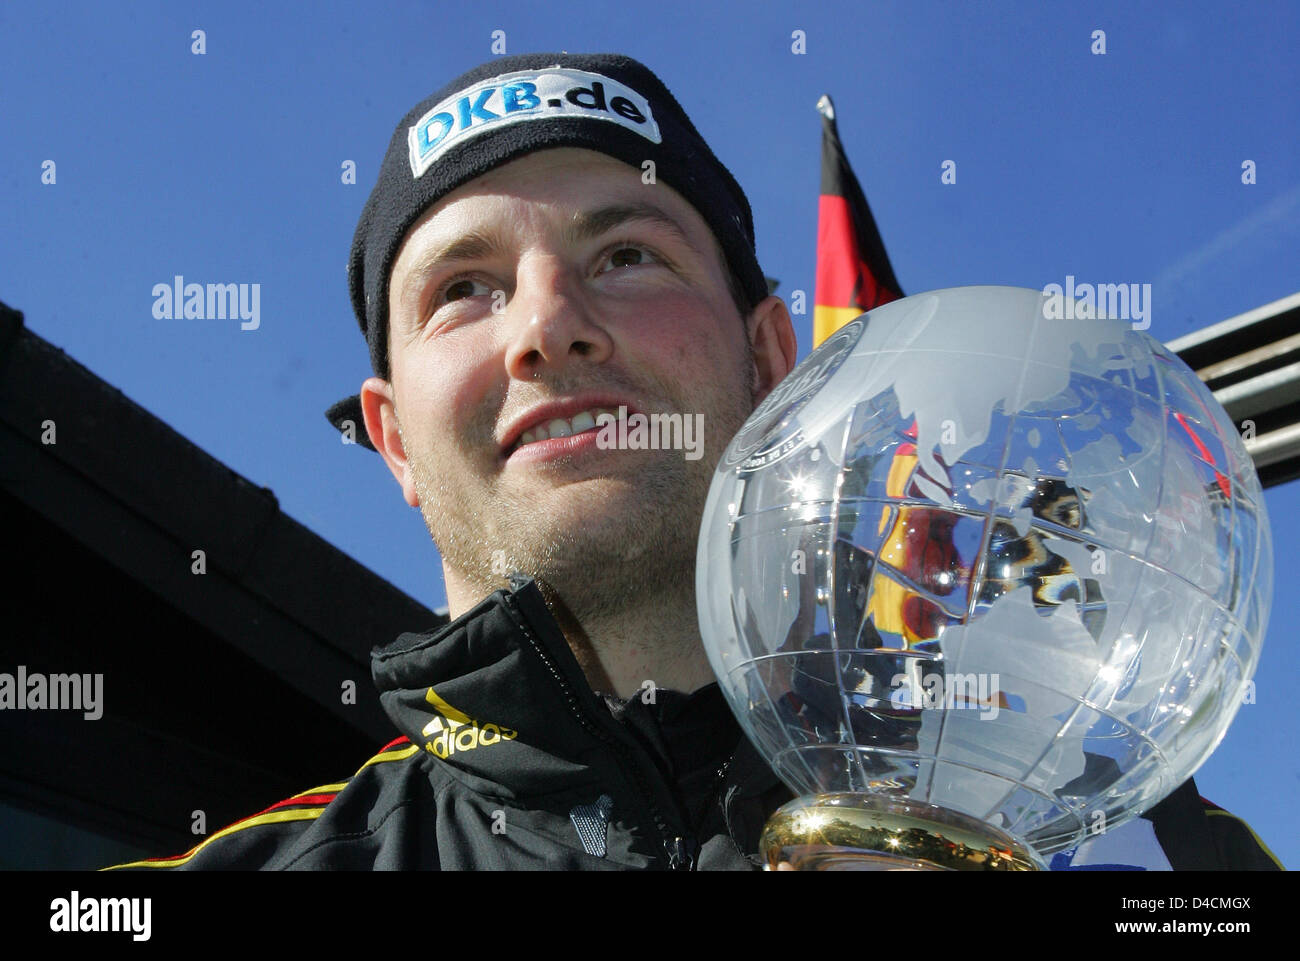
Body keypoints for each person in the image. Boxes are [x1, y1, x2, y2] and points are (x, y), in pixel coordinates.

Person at [105, 52, 1280, 872]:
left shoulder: (1111, 840)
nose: (546, 326)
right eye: (465, 288)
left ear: (774, 357)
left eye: (624, 252)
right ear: (395, 436)